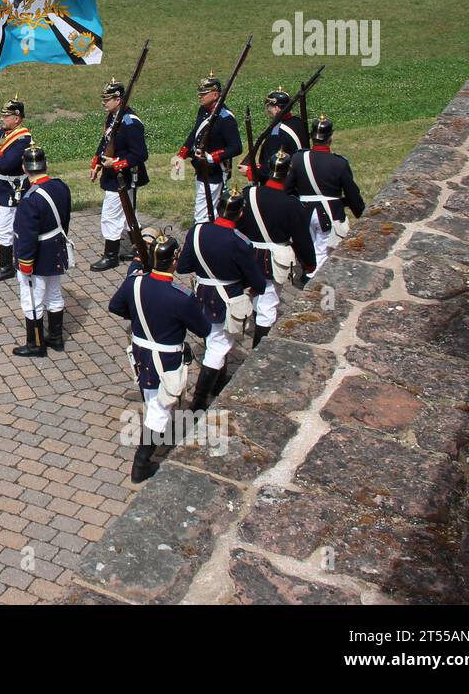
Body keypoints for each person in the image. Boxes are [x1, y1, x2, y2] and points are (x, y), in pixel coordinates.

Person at [109, 234, 211, 482]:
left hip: (140, 352)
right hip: (165, 358)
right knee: (159, 409)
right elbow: (203, 329)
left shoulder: (134, 283)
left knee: (151, 395)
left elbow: (116, 306)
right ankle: (141, 464)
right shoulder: (181, 295)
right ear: (174, 261)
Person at [175, 189, 266, 410]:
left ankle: (216, 384)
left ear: (218, 208)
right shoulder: (241, 242)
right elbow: (257, 282)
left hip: (201, 294)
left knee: (212, 339)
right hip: (226, 298)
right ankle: (199, 402)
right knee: (218, 347)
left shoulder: (197, 231)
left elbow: (183, 266)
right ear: (241, 213)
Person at [235, 149, 316, 347]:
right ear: (288, 173)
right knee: (268, 305)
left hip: (248, 254)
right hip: (272, 259)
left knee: (256, 296)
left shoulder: (248, 194)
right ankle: (259, 351)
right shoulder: (291, 204)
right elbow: (301, 239)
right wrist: (309, 263)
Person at [285, 114, 365, 275]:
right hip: (329, 212)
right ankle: (313, 280)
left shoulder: (298, 158)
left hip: (304, 211)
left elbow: (287, 188)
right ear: (330, 137)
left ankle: (309, 275)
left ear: (312, 137)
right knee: (322, 252)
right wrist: (360, 212)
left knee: (309, 248)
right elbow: (352, 193)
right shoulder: (339, 163)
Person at [13, 144, 72, 356]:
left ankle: (36, 344)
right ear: (45, 164)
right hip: (55, 249)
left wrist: (25, 262)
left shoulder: (30, 199)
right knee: (54, 294)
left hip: (36, 255)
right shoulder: (60, 186)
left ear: (24, 167)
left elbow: (27, 236)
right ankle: (56, 338)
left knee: (32, 300)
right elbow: (65, 219)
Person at [89, 78, 149, 271]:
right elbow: (106, 142)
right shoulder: (113, 117)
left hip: (124, 176)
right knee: (128, 213)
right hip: (114, 175)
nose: (104, 102)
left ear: (118, 99)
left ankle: (111, 255)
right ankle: (140, 248)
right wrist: (97, 164)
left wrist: (115, 163)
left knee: (110, 215)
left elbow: (140, 154)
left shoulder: (130, 123)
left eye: (107, 99)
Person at [175, 73, 241, 224]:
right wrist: (181, 155)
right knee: (208, 209)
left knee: (203, 214)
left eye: (204, 93)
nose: (200, 96)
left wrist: (212, 157)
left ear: (215, 95)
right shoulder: (204, 110)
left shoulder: (226, 118)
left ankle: (201, 234)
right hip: (201, 167)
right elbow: (195, 132)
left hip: (215, 171)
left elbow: (236, 147)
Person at [0, 97, 32, 282]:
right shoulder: (1, 133)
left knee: (3, 229)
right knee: (12, 227)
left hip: (14, 190)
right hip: (2, 187)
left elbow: (6, 164)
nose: (2, 119)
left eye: (6, 116)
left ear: (16, 119)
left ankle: (7, 267)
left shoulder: (23, 139)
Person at [247, 88, 305, 184]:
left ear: (276, 108)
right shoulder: (298, 122)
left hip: (283, 183)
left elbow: (270, 168)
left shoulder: (276, 133)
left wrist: (250, 171)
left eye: (269, 106)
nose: (268, 109)